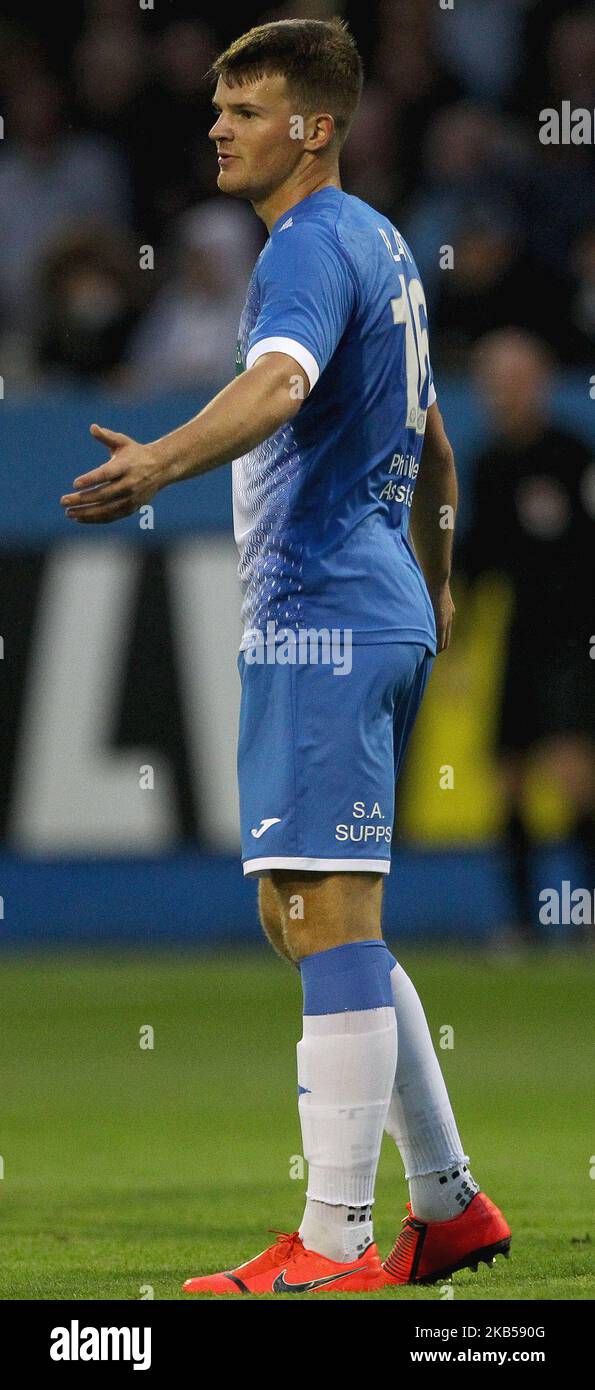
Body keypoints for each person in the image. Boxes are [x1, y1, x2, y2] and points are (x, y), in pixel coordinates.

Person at [60, 17, 511, 1295]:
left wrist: (155, 458)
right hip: (365, 605)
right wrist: (424, 589)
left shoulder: (309, 248)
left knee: (325, 909)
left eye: (246, 108)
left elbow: (276, 390)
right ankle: (447, 1201)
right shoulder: (380, 244)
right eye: (217, 107)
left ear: (313, 127)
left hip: (322, 611)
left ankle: (332, 1242)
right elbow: (434, 449)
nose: (218, 126)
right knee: (304, 913)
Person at [466, 330, 595, 945]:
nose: (501, 396)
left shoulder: (572, 456)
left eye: (512, 382)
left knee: (575, 773)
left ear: (538, 383)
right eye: (492, 385)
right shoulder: (489, 463)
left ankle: (585, 912)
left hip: (574, 640)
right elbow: (480, 559)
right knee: (509, 775)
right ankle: (522, 922)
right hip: (522, 638)